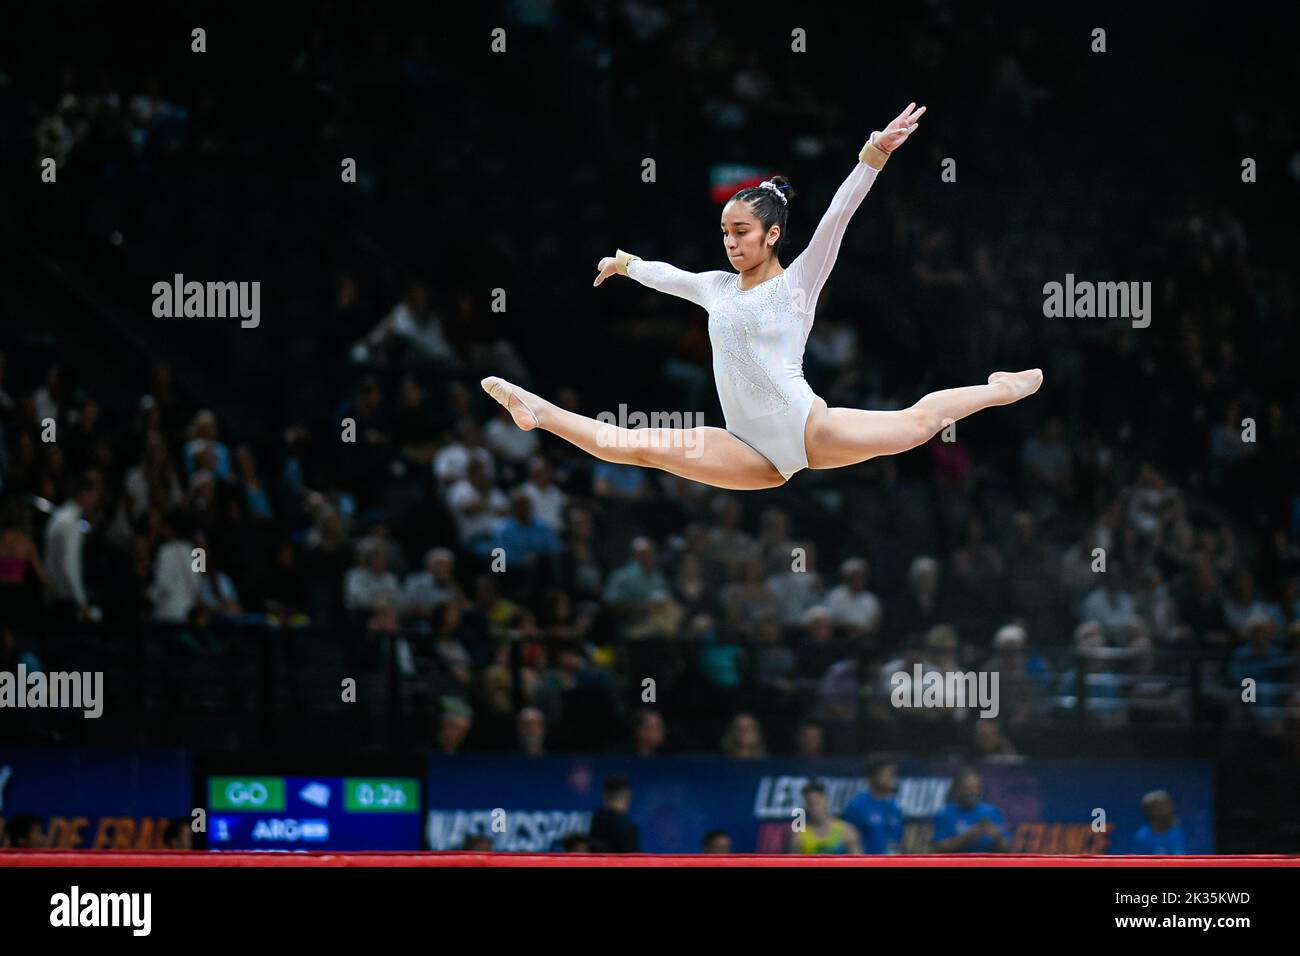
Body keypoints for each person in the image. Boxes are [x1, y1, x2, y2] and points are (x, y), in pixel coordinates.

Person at [481, 102, 1042, 491]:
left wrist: (874, 152)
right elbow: (667, 274)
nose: (730, 243)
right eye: (725, 233)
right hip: (747, 449)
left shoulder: (799, 282)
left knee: (918, 426)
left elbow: (838, 215)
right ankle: (539, 412)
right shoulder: (716, 287)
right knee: (631, 445)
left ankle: (998, 390)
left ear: (771, 234)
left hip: (806, 429)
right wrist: (625, 264)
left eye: (741, 232)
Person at [931, 768, 1011, 853]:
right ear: (957, 789)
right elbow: (939, 849)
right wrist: (970, 834)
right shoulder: (945, 814)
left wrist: (996, 836)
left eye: (977, 787)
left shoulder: (991, 812)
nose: (974, 792)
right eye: (969, 788)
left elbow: (1007, 847)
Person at [842, 754, 904, 854]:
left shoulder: (895, 807)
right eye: (889, 773)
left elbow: (898, 843)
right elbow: (848, 844)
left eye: (894, 774)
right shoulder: (856, 807)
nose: (893, 777)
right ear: (875, 775)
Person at [787, 780, 862, 854]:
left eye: (818, 802)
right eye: (810, 803)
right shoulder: (799, 836)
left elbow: (859, 863)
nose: (815, 807)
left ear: (826, 801)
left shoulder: (847, 832)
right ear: (806, 806)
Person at [587, 775, 640, 853]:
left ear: (604, 795)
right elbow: (635, 862)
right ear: (627, 796)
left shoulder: (591, 821)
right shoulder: (628, 828)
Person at [1132, 790, 1187, 854]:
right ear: (1149, 812)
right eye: (1160, 808)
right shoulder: (1143, 837)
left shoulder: (1181, 830)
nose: (1169, 810)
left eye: (1168, 805)